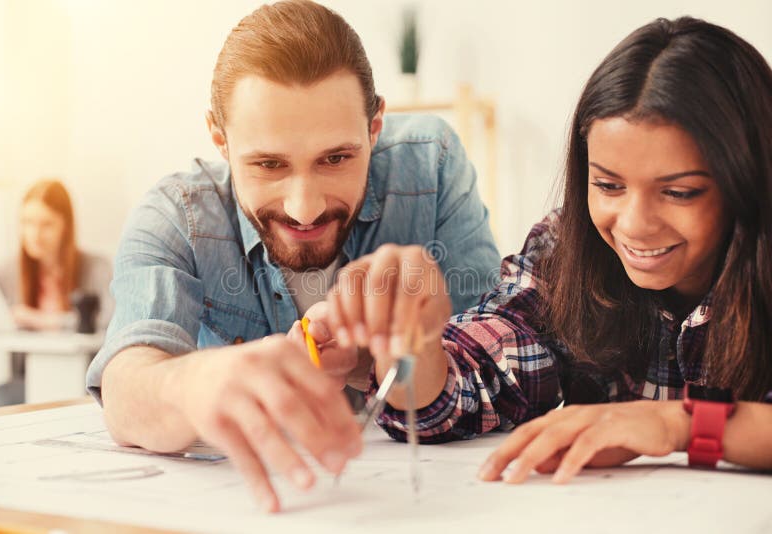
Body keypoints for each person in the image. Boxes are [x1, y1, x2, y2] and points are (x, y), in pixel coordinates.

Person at [86, 0, 500, 512]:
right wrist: (190, 383)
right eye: (268, 164)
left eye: (336, 158)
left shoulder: (430, 167)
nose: (304, 209)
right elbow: (126, 387)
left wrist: (377, 358)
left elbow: (498, 366)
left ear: (375, 128)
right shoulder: (178, 217)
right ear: (221, 138)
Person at [325, 17, 772, 479]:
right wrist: (413, 346)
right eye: (608, 185)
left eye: (678, 193)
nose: (636, 225)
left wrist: (678, 424)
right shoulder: (564, 251)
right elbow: (467, 383)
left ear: (748, 178)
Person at [0, 179, 113, 406]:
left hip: (85, 380)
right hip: (29, 379)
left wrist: (44, 321)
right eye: (27, 222)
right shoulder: (7, 273)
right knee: (1, 397)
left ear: (65, 226)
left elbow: (108, 323)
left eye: (46, 224)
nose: (34, 234)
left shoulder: (97, 268)